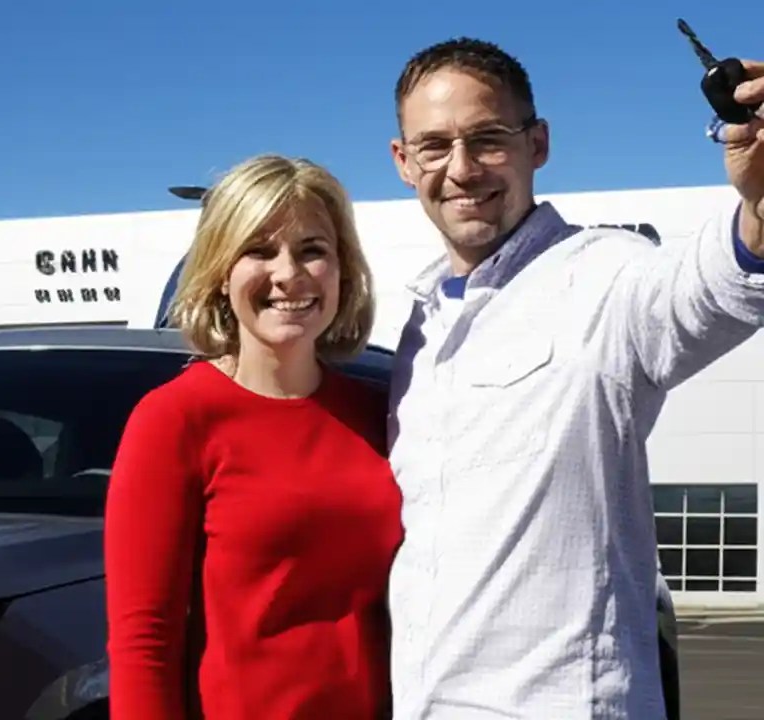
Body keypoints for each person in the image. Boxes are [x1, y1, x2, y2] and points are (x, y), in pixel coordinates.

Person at [383, 37, 764, 718]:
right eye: (435, 146)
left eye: (489, 138)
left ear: (539, 144)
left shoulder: (604, 276)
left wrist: (760, 209)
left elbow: (706, 289)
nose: (462, 169)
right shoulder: (421, 331)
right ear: (403, 162)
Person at [104, 153, 404, 719]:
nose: (289, 274)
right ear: (221, 271)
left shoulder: (378, 414)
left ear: (343, 269)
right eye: (259, 250)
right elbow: (143, 639)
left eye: (313, 250)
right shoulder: (175, 419)